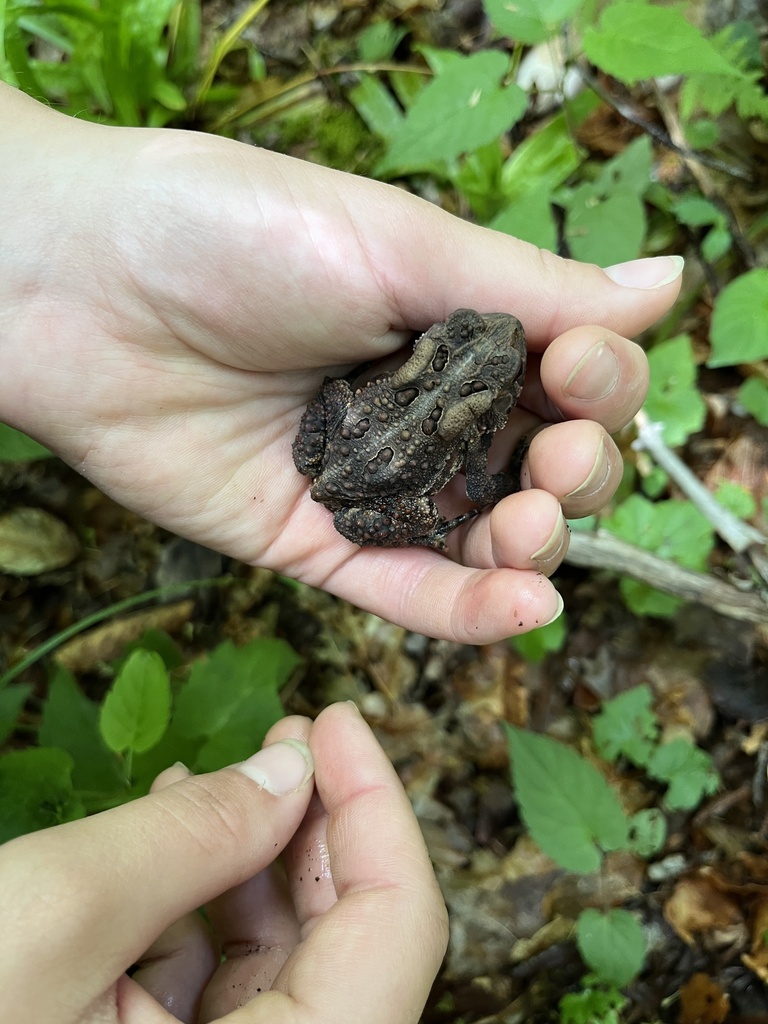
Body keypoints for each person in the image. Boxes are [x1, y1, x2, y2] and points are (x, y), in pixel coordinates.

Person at [0, 81, 683, 1022]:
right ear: (447, 361)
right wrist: (483, 484)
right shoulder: (463, 436)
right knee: (465, 515)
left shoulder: (443, 401)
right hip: (366, 475)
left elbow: (413, 435)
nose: (493, 354)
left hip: (350, 434)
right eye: (471, 355)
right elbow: (475, 492)